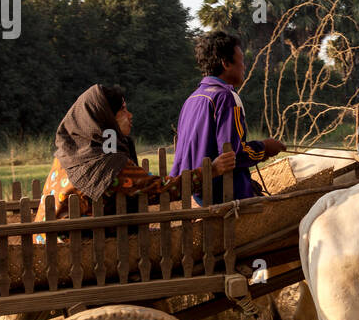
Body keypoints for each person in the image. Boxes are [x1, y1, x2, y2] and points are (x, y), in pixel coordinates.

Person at [33, 83, 181, 242]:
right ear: (106, 118)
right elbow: (160, 188)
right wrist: (210, 172)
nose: (130, 115)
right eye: (123, 110)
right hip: (73, 253)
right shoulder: (109, 166)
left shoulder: (67, 156)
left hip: (43, 246)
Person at [171, 30, 286, 200]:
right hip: (223, 192)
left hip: (196, 192)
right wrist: (265, 148)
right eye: (241, 61)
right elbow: (234, 154)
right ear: (226, 63)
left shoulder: (192, 98)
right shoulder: (225, 97)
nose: (244, 67)